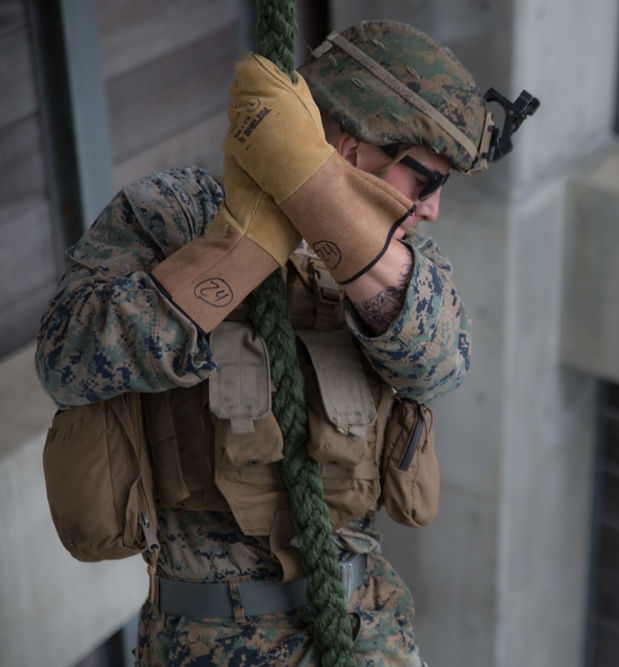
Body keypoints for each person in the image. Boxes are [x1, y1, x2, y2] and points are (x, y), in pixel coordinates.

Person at [34, 20, 537, 666]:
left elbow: (440, 363)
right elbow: (65, 357)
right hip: (208, 642)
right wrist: (239, 253)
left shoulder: (404, 263)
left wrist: (320, 200)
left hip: (367, 635)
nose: (431, 209)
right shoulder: (175, 215)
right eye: (426, 181)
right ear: (354, 146)